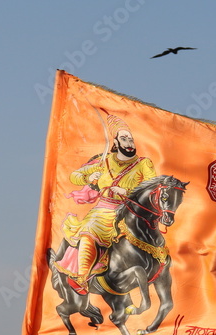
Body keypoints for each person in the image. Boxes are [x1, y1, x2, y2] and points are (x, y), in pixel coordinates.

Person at [53, 113, 157, 293]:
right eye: (124, 139)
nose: (129, 143)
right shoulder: (104, 162)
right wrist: (88, 177)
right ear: (115, 143)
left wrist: (127, 192)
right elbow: (74, 176)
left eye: (131, 139)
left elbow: (152, 186)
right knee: (88, 231)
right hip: (102, 211)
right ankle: (82, 278)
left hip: (130, 209)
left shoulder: (143, 164)